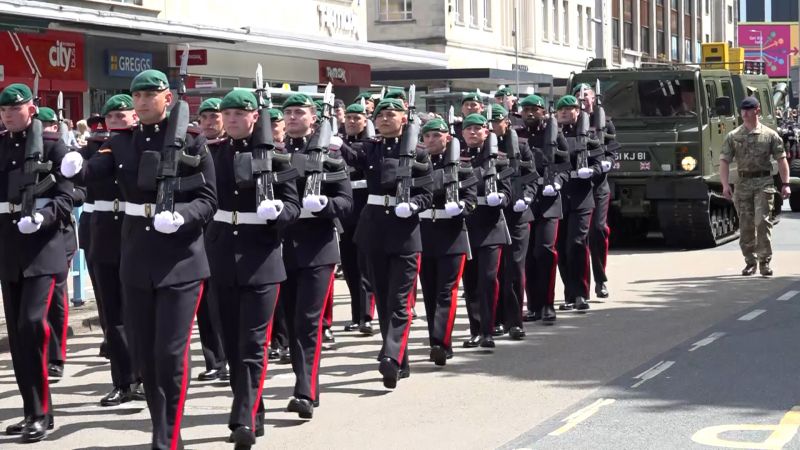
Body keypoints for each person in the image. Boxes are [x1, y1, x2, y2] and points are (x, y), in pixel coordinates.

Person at [60, 69, 217, 449]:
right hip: (135, 257)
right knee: (145, 353)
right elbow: (97, 168)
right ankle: (159, 423)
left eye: (151, 95)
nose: (144, 102)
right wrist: (76, 167)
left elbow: (209, 198)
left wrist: (183, 217)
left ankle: (168, 433)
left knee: (170, 352)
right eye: (138, 96)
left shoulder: (192, 140)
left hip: (180, 259)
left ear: (168, 98)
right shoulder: (121, 141)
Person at [208, 89, 300, 447]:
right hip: (221, 254)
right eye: (226, 114)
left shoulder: (276, 156)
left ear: (254, 118)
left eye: (238, 114)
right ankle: (253, 407)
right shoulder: (210, 154)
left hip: (261, 256)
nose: (230, 120)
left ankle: (244, 414)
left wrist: (278, 213)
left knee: (253, 343)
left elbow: (292, 205)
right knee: (231, 343)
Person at [0, 83, 73, 443]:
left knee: (32, 326)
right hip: (9, 252)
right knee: (18, 336)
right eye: (4, 110)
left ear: (32, 108)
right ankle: (32, 410)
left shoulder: (52, 145)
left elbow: (71, 194)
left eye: (16, 109)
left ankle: (42, 412)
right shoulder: (0, 145)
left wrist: (43, 217)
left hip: (43, 251)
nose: (10, 115)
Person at [344, 98, 432, 387]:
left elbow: (428, 193)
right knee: (382, 298)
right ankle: (399, 359)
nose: (384, 119)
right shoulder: (370, 147)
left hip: (405, 232)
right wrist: (331, 139)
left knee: (399, 300)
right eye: (380, 115)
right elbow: (348, 156)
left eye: (390, 115)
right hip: (373, 229)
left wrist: (414, 205)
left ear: (403, 119)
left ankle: (391, 356)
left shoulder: (418, 153)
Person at [280, 93, 352, 419]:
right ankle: (308, 384)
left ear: (313, 118)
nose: (293, 118)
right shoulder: (275, 153)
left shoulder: (330, 154)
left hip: (318, 247)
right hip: (280, 248)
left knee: (307, 323)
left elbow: (346, 202)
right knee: (291, 323)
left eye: (299, 112)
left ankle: (304, 391)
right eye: (288, 113)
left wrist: (325, 206)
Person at [83, 95, 143, 406]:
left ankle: (145, 375)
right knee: (113, 315)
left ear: (135, 117)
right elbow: (80, 178)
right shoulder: (95, 149)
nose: (117, 122)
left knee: (140, 312)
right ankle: (123, 380)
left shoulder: (144, 145)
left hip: (136, 235)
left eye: (123, 116)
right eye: (112, 118)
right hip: (105, 235)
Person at [418, 117, 476, 365]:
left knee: (446, 291)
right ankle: (435, 340)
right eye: (427, 136)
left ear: (448, 137)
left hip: (451, 233)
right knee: (430, 291)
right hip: (424, 233)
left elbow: (471, 198)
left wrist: (461, 206)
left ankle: (443, 342)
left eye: (436, 135)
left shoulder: (462, 165)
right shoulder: (417, 165)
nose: (431, 140)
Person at [720, 96, 790, 276]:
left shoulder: (770, 135)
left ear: (756, 110)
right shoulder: (734, 136)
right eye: (742, 110)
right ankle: (750, 262)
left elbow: (781, 160)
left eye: (748, 109)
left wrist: (786, 183)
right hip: (742, 184)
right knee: (745, 225)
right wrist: (725, 184)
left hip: (763, 183)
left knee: (762, 222)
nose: (744, 113)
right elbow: (724, 161)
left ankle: (764, 262)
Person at [460, 113, 511, 349]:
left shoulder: (499, 158)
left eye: (477, 129)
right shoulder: (457, 158)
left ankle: (489, 329)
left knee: (488, 279)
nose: (472, 132)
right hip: (466, 224)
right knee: (470, 281)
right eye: (468, 129)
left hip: (491, 225)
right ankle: (476, 329)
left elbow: (509, 191)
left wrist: (500, 197)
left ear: (486, 132)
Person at [193, 97, 229, 382]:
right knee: (205, 302)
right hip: (198, 231)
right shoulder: (193, 149)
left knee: (223, 301)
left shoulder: (229, 149)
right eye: (204, 117)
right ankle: (215, 360)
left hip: (226, 232)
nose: (209, 122)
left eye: (214, 117)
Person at [492, 104, 535, 340]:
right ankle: (496, 319)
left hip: (517, 214)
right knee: (494, 271)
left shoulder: (521, 146)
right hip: (493, 214)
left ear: (506, 123)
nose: (492, 127)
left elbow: (532, 177)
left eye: (496, 122)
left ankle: (515, 321)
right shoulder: (480, 148)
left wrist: (526, 198)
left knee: (515, 268)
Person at [555, 95, 603, 312]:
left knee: (577, 243)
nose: (564, 113)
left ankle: (581, 294)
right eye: (561, 110)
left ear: (577, 111)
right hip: (558, 195)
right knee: (562, 248)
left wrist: (591, 171)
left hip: (582, 195)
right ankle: (569, 293)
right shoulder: (553, 136)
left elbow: (602, 162)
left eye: (569, 109)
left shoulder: (588, 135)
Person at [573, 83, 619, 299]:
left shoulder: (605, 122)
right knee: (577, 238)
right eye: (578, 96)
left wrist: (606, 164)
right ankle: (580, 288)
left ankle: (600, 279)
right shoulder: (570, 123)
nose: (583, 99)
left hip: (599, 184)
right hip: (578, 187)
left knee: (598, 230)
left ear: (594, 97)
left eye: (587, 95)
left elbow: (612, 151)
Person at [339, 103, 375, 335]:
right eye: (349, 118)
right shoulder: (339, 141)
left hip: (364, 209)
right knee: (350, 266)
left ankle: (367, 316)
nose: (352, 121)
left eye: (356, 118)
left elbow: (356, 160)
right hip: (344, 212)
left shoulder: (371, 144)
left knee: (364, 266)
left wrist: (339, 145)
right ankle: (356, 314)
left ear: (365, 121)